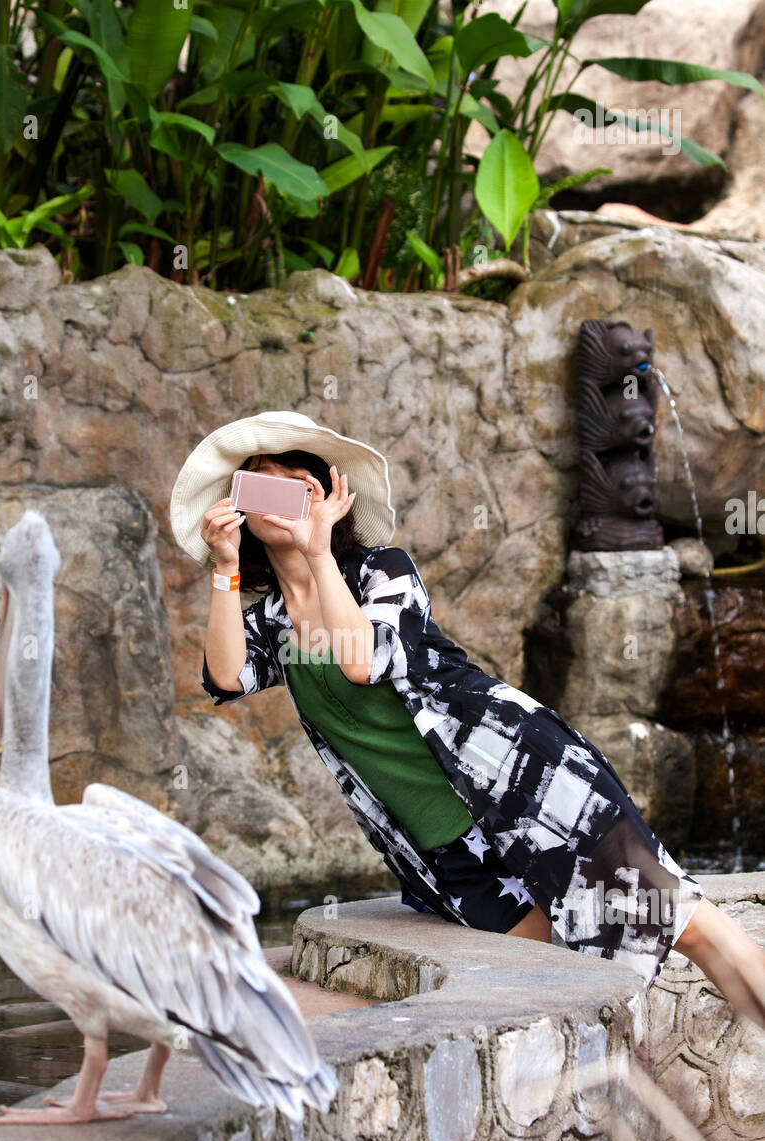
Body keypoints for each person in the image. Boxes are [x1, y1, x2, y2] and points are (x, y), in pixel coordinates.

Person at [170, 411, 765, 1030]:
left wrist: (319, 551)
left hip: (529, 781)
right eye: (256, 483)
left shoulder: (381, 572)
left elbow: (360, 660)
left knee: (694, 932)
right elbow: (227, 675)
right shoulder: (271, 621)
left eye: (295, 485)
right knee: (552, 977)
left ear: (329, 498)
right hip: (442, 844)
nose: (277, 497)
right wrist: (223, 566)